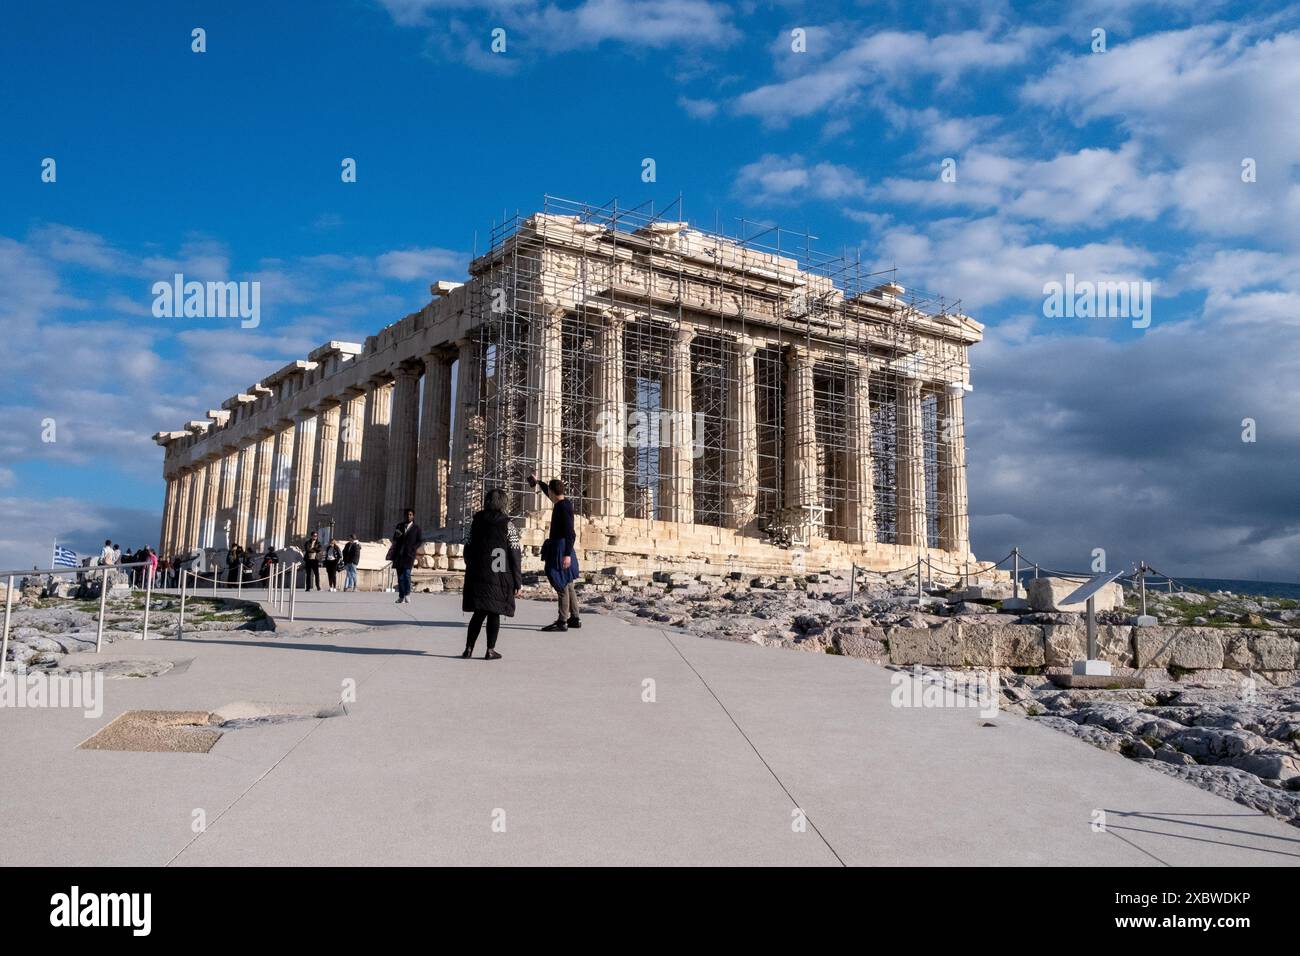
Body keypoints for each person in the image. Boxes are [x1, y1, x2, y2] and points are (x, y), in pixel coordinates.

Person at [461, 488, 522, 660]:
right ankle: (490, 650)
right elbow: (515, 553)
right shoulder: (508, 524)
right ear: (503, 503)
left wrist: (472, 565)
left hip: (478, 572)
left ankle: (468, 649)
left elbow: (468, 547)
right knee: (494, 612)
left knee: (479, 613)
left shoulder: (476, 521)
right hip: (498, 573)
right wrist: (517, 581)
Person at [528, 471, 581, 631]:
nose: (547, 494)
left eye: (548, 491)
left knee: (559, 580)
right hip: (562, 546)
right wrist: (538, 482)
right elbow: (548, 491)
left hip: (562, 547)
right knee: (569, 582)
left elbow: (571, 533)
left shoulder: (563, 508)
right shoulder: (561, 502)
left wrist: (566, 555)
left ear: (552, 492)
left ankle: (562, 621)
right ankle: (575, 618)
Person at [387, 509, 422, 603]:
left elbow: (420, 540)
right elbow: (395, 538)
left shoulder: (416, 528)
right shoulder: (399, 526)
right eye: (407, 514)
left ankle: (407, 594)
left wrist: (413, 548)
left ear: (413, 516)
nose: (408, 516)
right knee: (400, 577)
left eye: (410, 515)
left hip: (409, 555)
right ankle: (401, 596)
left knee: (407, 574)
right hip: (399, 554)